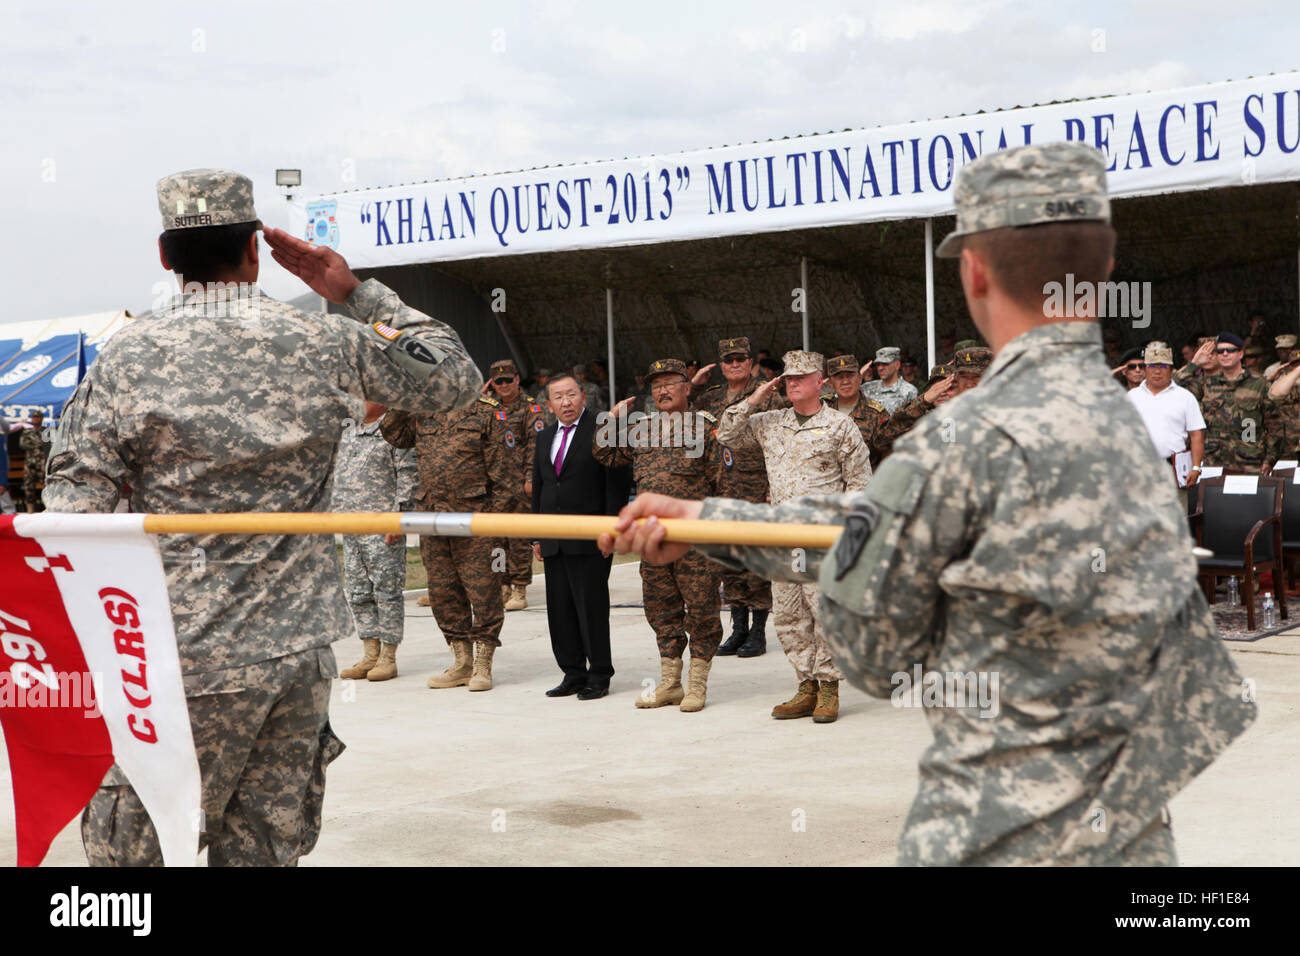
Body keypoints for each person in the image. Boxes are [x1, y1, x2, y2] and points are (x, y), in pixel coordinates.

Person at [601, 143, 1256, 865]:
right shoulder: (1121, 421)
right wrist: (711, 522)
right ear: (1100, 273)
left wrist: (717, 530)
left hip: (1009, 823)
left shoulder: (971, 435)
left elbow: (873, 648)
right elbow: (881, 528)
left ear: (973, 272)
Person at [45, 168, 480, 866]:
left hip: (173, 657)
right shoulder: (327, 341)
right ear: (255, 250)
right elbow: (457, 379)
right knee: (263, 855)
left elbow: (73, 512)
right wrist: (353, 291)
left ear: (165, 257)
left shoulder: (127, 356)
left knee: (136, 858)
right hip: (294, 657)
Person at [716, 350, 871, 722]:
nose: (793, 383)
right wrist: (754, 397)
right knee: (788, 614)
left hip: (824, 539)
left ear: (822, 382)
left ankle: (829, 687)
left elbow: (860, 485)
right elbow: (726, 433)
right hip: (783, 539)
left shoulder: (839, 426)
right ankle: (806, 685)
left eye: (802, 377)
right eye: (788, 378)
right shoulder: (771, 422)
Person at [594, 359, 723, 711]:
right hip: (653, 538)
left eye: (670, 383)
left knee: (701, 609)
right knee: (660, 608)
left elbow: (723, 484)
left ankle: (697, 684)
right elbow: (604, 453)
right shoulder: (642, 428)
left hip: (695, 539)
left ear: (687, 387)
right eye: (656, 386)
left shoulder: (706, 428)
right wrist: (612, 418)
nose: (663, 391)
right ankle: (670, 683)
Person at [381, 392, 513, 692]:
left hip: (476, 520)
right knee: (443, 591)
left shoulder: (488, 412)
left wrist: (496, 522)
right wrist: (406, 396)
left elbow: (504, 475)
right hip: (433, 518)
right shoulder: (422, 408)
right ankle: (461, 660)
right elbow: (392, 433)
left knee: (484, 591)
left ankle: (483, 663)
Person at [532, 373, 632, 699]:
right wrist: (535, 535)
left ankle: (599, 674)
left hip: (591, 538)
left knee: (591, 608)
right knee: (559, 610)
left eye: (571, 395)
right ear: (548, 405)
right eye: (558, 397)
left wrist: (610, 531)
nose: (566, 402)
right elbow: (542, 487)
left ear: (584, 396)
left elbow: (615, 485)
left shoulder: (601, 431)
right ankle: (572, 672)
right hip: (553, 538)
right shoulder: (545, 438)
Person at [691, 337, 784, 657]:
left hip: (756, 488)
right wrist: (691, 386)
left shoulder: (767, 396)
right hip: (720, 487)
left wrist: (775, 488)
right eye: (728, 360)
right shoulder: (711, 398)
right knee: (728, 562)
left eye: (741, 359)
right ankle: (738, 629)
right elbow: (682, 415)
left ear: (751, 362)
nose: (735, 364)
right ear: (720, 364)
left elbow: (779, 441)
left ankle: (758, 632)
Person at [334, 402, 418, 682]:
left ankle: (388, 657)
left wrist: (399, 516)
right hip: (351, 524)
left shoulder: (392, 430)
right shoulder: (348, 429)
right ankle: (370, 652)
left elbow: (407, 474)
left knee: (387, 590)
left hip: (382, 525)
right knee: (357, 591)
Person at [485, 358, 546, 612]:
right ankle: (502, 585)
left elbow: (536, 446)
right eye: (498, 381)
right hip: (493, 484)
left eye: (508, 380)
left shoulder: (531, 409)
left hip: (520, 484)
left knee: (519, 538)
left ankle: (520, 586)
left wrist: (531, 478)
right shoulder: (486, 408)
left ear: (517, 380)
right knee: (495, 539)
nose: (504, 385)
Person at [1175, 332, 1277, 473]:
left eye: (1229, 350)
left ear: (1240, 354)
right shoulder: (1205, 383)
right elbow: (1171, 390)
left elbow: (1274, 425)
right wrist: (1194, 364)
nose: (1224, 354)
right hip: (1214, 463)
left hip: (1249, 463)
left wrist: (1270, 459)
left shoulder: (1259, 384)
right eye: (1220, 351)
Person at [1128, 342, 1205, 512]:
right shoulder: (1131, 397)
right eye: (1152, 366)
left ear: (1172, 370)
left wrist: (1196, 467)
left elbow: (1196, 434)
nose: (1157, 371)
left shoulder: (1185, 397)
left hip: (1173, 469)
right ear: (1145, 369)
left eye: (1163, 366)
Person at [824, 353, 890, 467]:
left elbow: (888, 456)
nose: (845, 381)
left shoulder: (876, 414)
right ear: (830, 383)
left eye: (850, 375)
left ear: (860, 378)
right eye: (839, 377)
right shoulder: (822, 409)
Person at [859, 346, 917, 414]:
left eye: (885, 364)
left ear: (897, 365)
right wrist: (859, 376)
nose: (880, 368)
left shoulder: (909, 391)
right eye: (878, 365)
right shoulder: (866, 388)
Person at [19, 410, 50, 512]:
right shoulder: (27, 432)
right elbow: (22, 444)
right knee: (29, 487)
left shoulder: (46, 432)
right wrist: (37, 444)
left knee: (47, 486)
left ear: (41, 418)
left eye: (38, 417)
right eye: (34, 417)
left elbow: (50, 446)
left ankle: (47, 508)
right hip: (30, 463)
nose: (36, 419)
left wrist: (36, 444)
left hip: (43, 464)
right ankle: (30, 510)